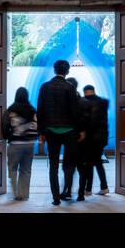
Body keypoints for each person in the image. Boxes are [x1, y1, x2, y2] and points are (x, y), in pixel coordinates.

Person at [35, 59, 80, 206]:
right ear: (67, 71)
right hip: (69, 132)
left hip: (51, 131)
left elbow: (40, 112)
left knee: (53, 166)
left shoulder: (44, 87)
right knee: (69, 163)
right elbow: (75, 112)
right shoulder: (70, 87)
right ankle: (66, 190)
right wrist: (79, 131)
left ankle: (55, 198)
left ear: (54, 70)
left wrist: (41, 133)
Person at [2, 86, 38, 201]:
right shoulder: (33, 110)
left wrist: (8, 137)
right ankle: (24, 195)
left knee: (12, 168)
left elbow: (4, 126)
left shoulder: (10, 111)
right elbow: (38, 125)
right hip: (30, 144)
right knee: (26, 170)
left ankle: (16, 193)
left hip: (15, 144)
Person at [77, 84, 110, 197]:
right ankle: (103, 186)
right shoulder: (102, 102)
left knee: (89, 164)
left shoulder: (85, 103)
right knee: (98, 162)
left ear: (85, 92)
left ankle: (88, 189)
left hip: (89, 139)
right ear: (93, 91)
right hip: (101, 138)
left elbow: (89, 123)